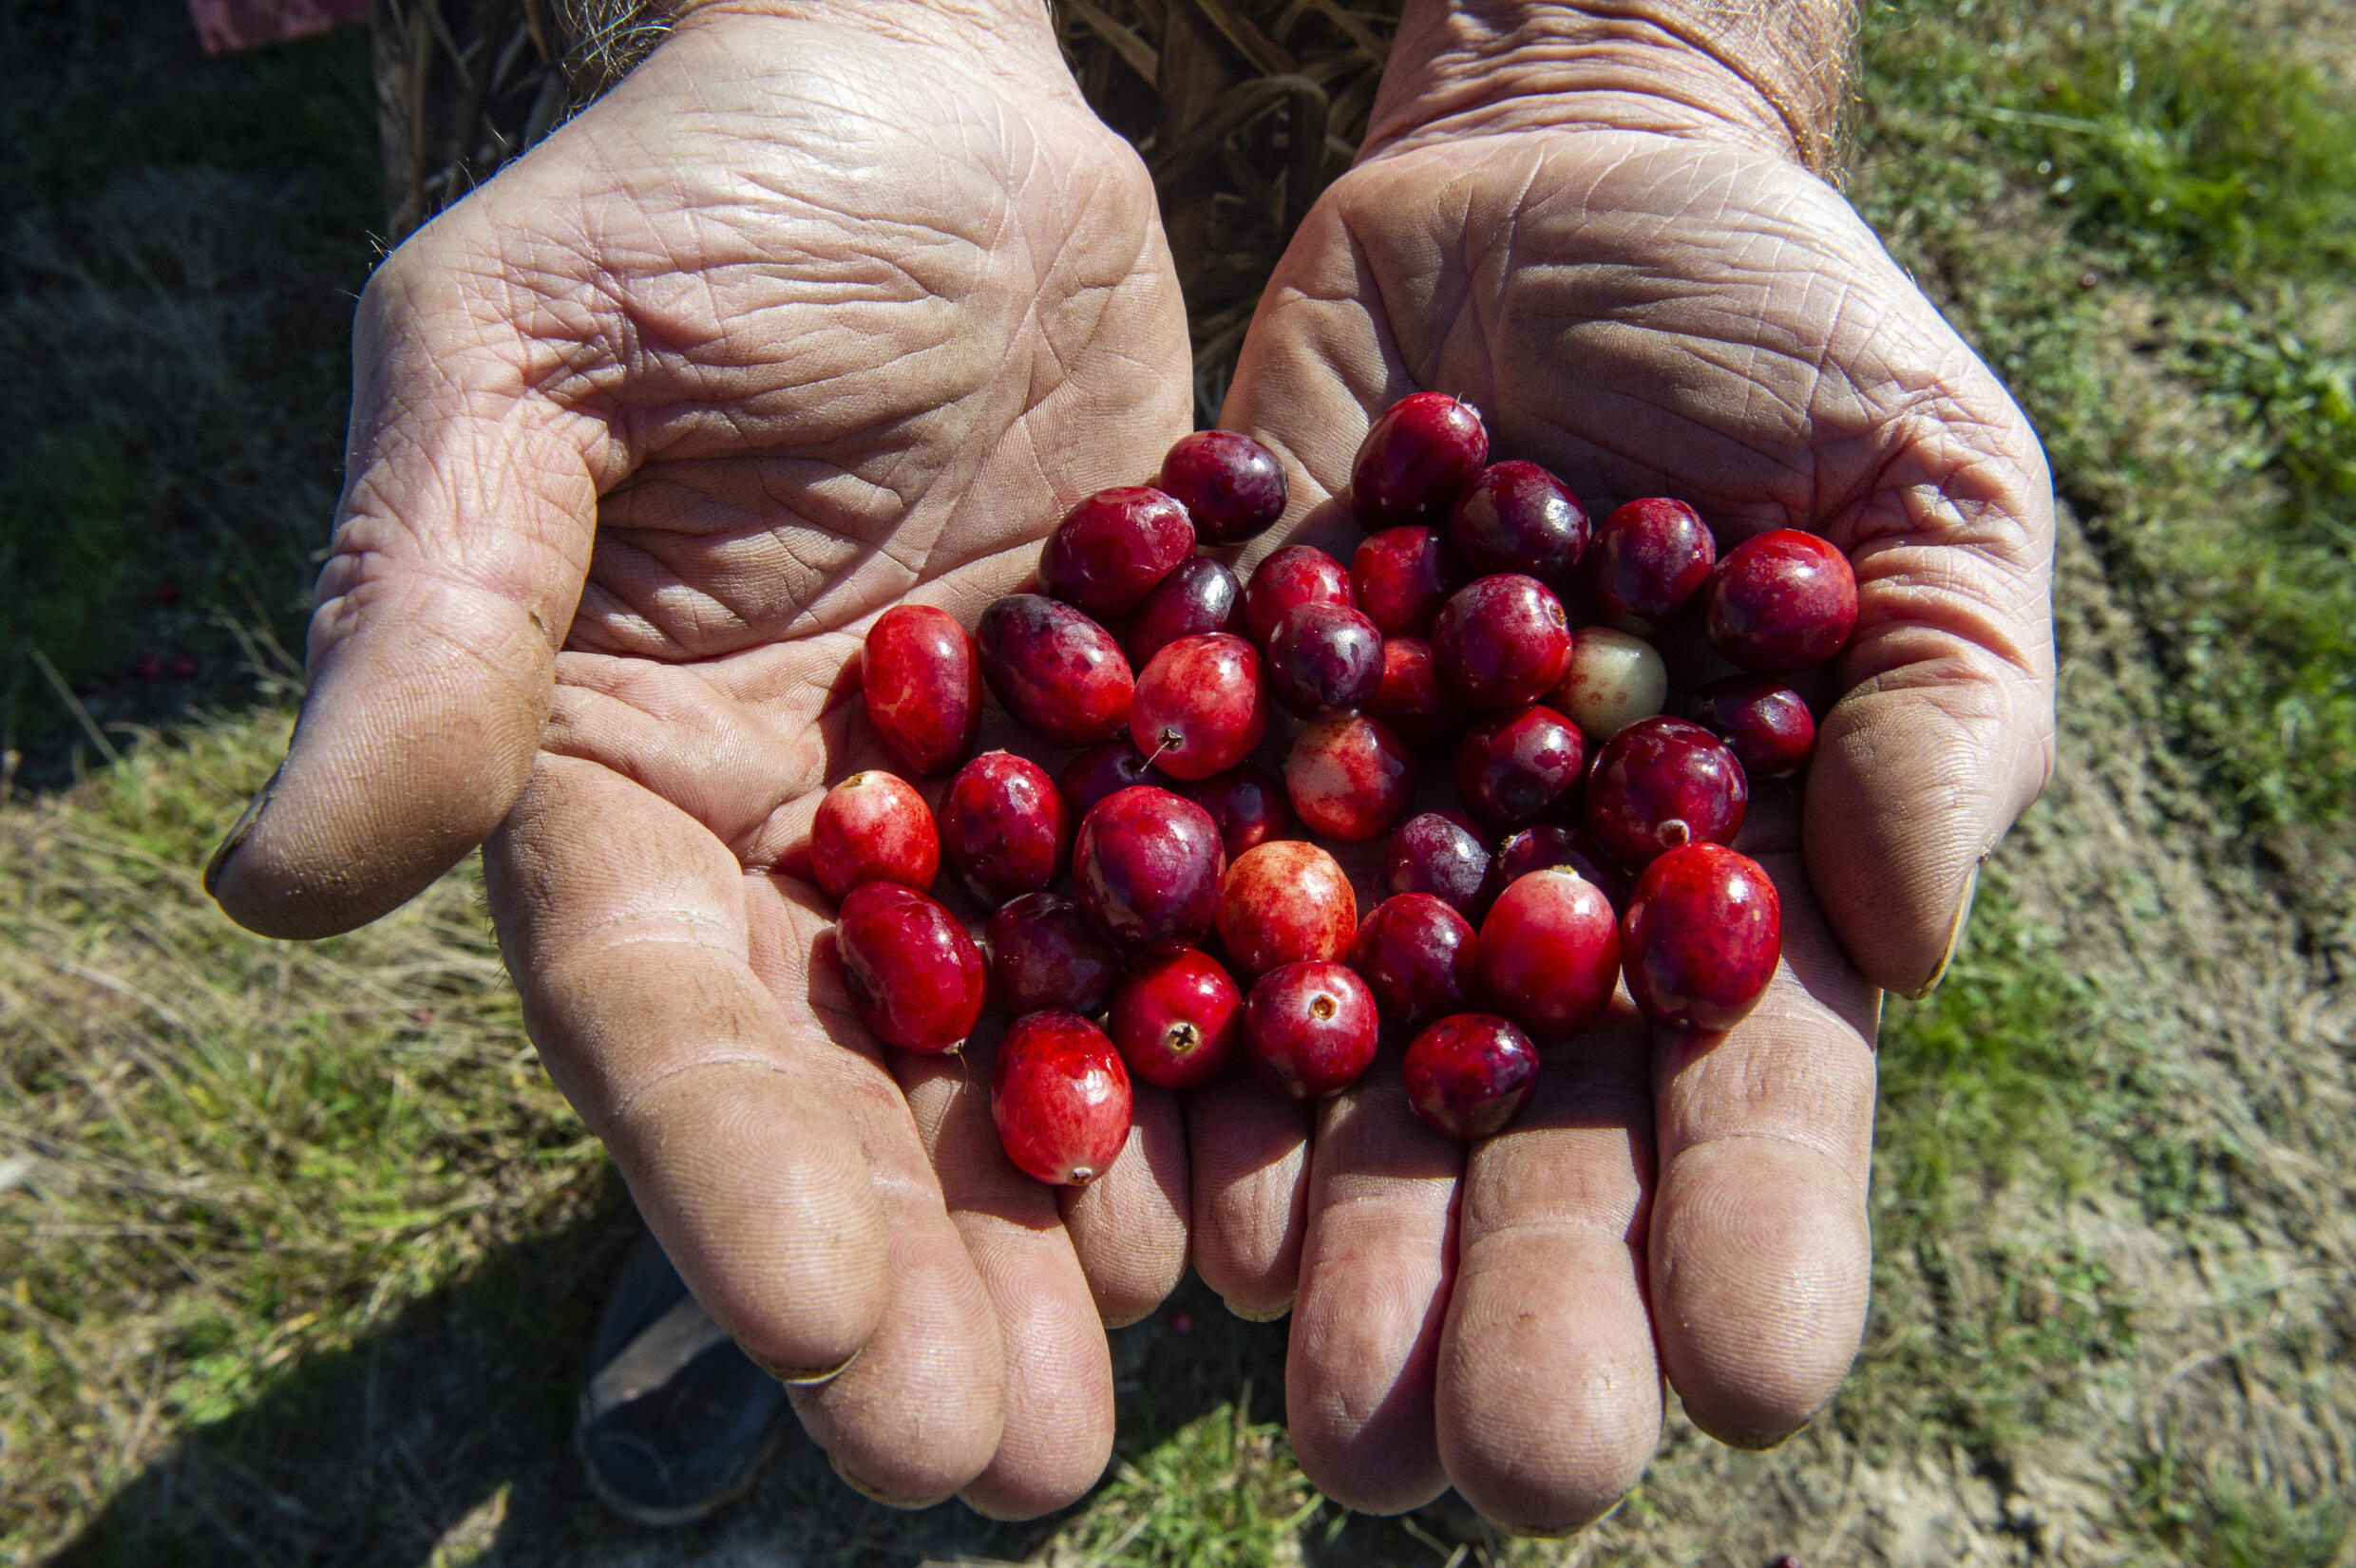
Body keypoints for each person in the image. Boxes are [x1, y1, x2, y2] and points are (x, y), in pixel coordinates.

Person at [205, 0, 2056, 1535]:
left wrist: (1618, 58)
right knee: (773, 950)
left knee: (1241, 514)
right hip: (883, 218)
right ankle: (769, 1226)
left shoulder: (1429, 732)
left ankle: (1195, 1219)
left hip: (1397, 156)